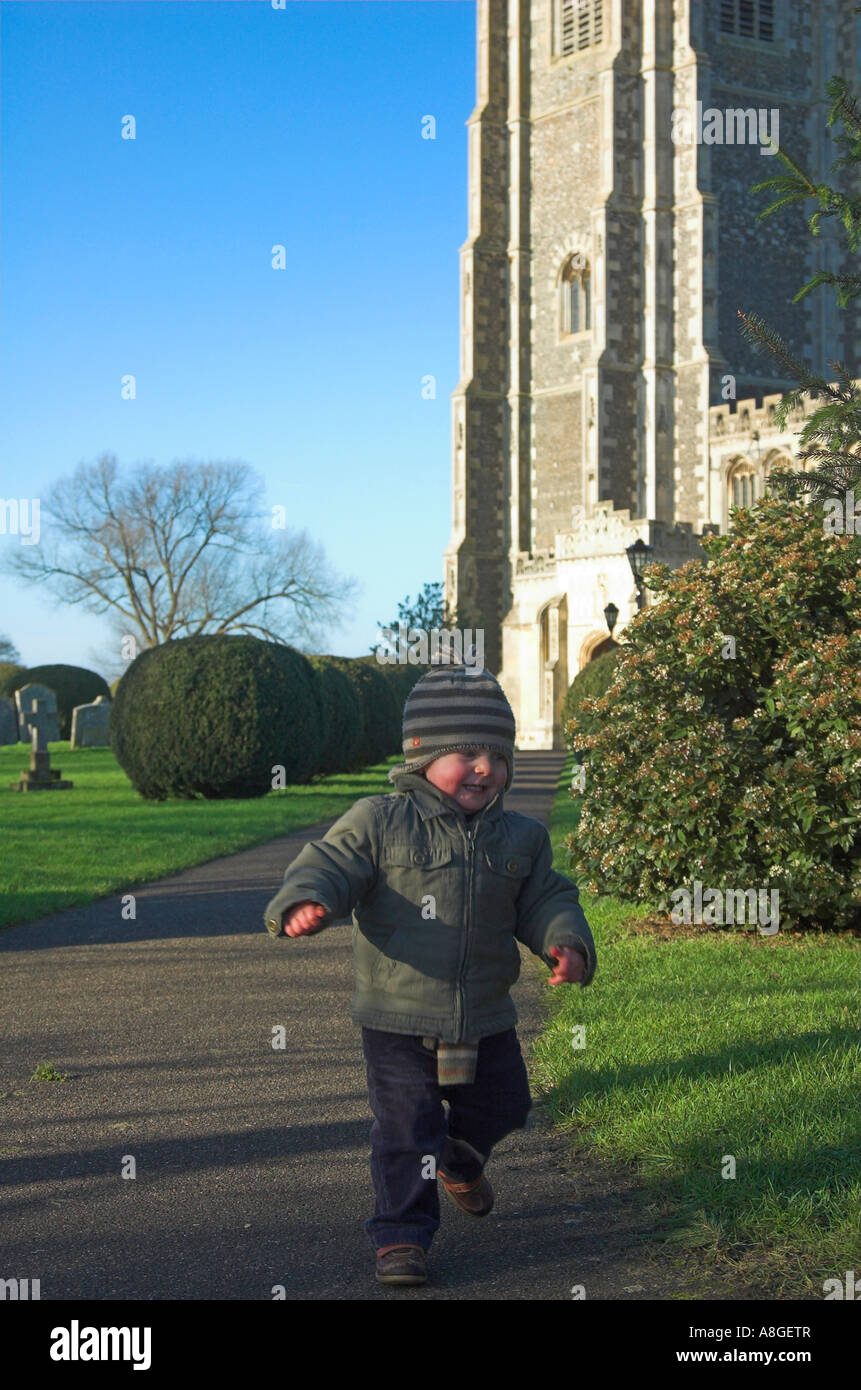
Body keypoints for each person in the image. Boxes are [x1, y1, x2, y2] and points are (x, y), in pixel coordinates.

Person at [263, 663, 597, 1286]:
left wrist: (565, 941)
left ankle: (459, 1158)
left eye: (497, 755)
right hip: (398, 1014)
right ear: (420, 759)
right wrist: (305, 902)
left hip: (485, 1013)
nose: (484, 769)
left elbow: (546, 898)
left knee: (506, 1103)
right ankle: (401, 1237)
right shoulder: (378, 821)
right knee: (405, 1126)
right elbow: (328, 864)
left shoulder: (521, 835)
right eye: (465, 753)